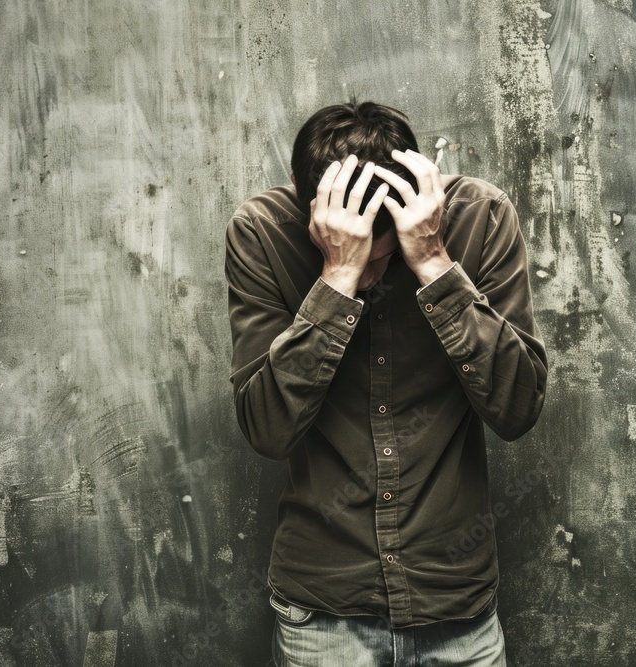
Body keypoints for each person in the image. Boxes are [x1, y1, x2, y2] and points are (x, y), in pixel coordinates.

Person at [224, 100, 548, 666]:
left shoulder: (481, 218)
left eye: (382, 256)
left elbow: (518, 408)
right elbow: (267, 430)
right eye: (354, 253)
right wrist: (336, 276)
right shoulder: (262, 233)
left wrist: (430, 258)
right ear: (306, 198)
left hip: (457, 608)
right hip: (323, 614)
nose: (374, 275)